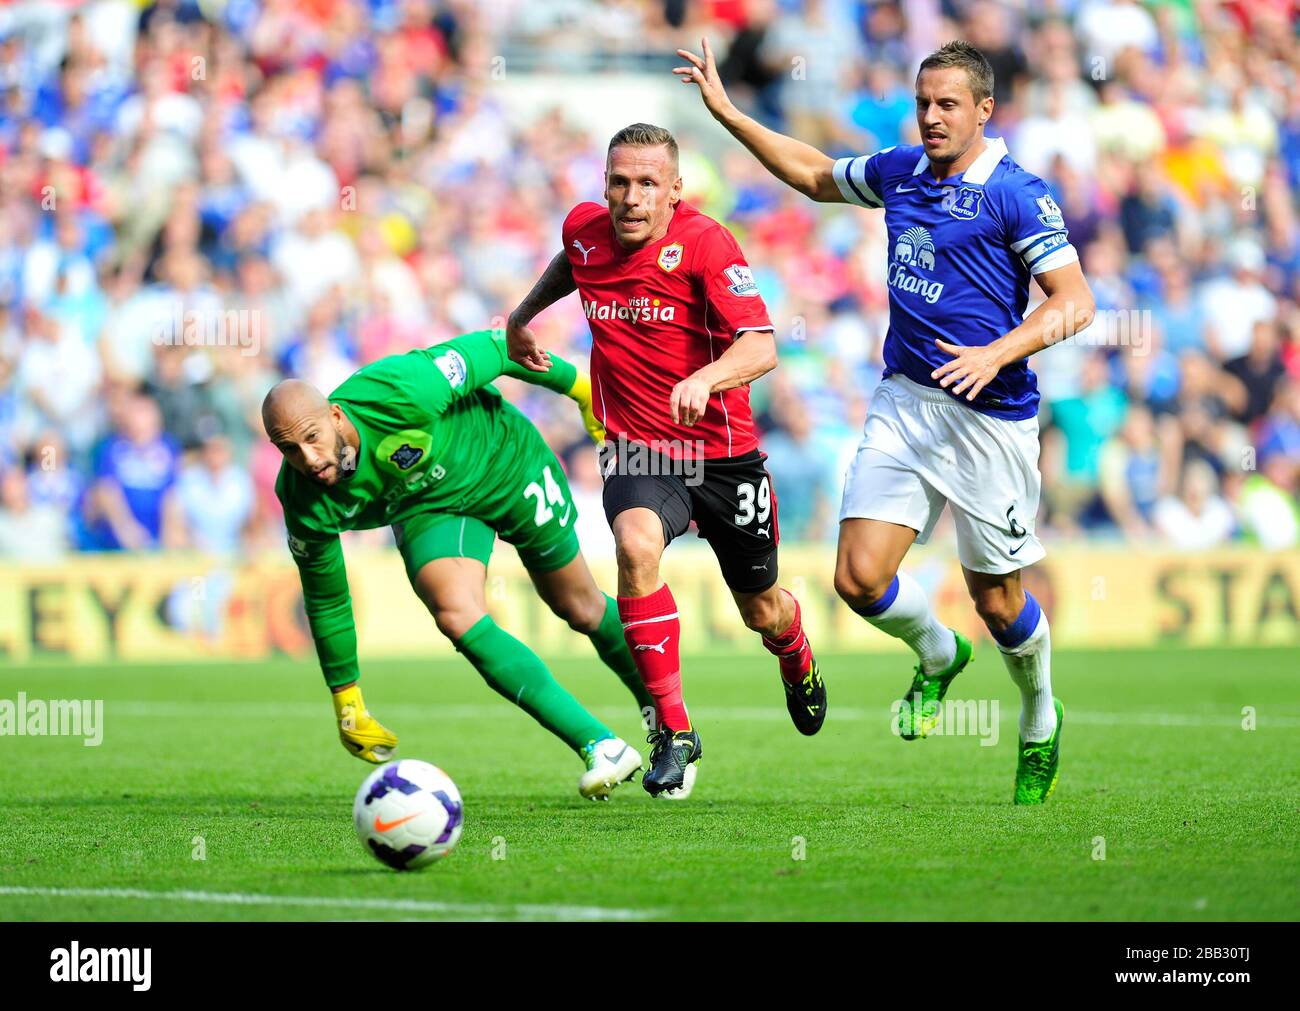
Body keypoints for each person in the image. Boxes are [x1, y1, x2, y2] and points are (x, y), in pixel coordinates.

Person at [676, 38, 1096, 803]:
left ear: (984, 110)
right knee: (858, 579)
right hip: (905, 399)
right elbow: (810, 174)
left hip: (989, 420)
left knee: (998, 602)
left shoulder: (1016, 192)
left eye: (948, 105)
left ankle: (1040, 714)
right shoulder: (901, 170)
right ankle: (938, 654)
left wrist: (996, 353)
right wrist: (731, 112)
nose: (931, 117)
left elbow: (1076, 302)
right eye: (923, 102)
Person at [507, 123, 824, 801]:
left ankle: (795, 652)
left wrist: (708, 379)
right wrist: (524, 315)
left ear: (675, 190)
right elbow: (573, 260)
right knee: (634, 543)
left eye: (648, 183)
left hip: (724, 455)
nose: (630, 196)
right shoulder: (584, 231)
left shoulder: (707, 244)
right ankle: (673, 730)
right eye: (619, 181)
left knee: (762, 610)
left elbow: (762, 346)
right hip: (639, 448)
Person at [264, 329, 654, 801]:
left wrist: (580, 390)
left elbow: (500, 347)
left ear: (335, 415)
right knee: (454, 611)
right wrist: (346, 698)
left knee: (580, 607)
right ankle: (601, 744)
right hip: (433, 508)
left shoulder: (400, 389)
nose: (308, 460)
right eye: (289, 450)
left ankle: (667, 722)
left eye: (312, 438)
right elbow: (327, 597)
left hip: (505, 461)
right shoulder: (303, 497)